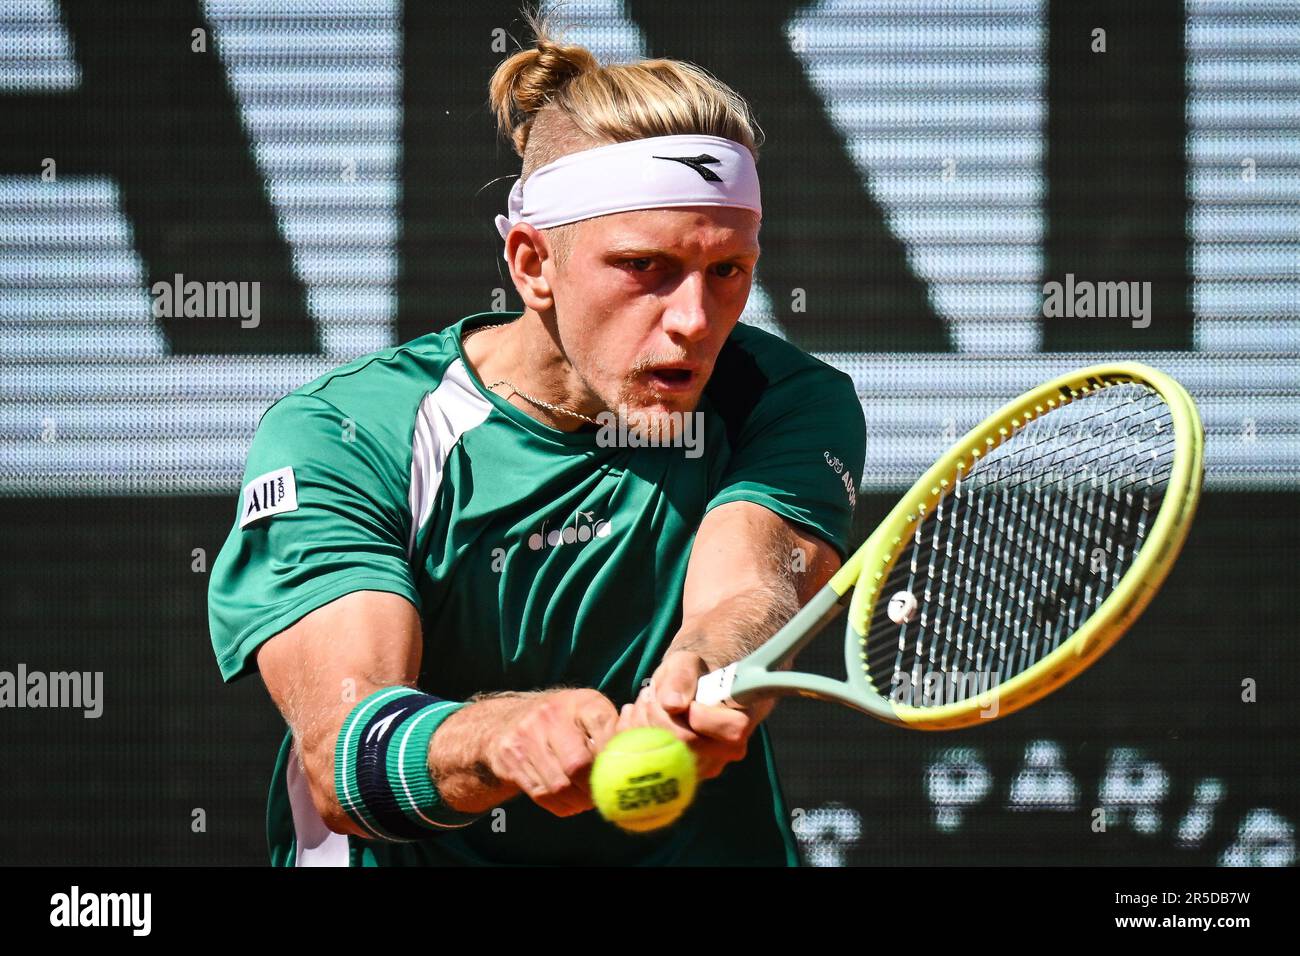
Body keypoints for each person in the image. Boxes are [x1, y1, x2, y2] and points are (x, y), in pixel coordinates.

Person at [207, 8, 866, 866]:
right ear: (531, 264)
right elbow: (342, 755)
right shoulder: (346, 434)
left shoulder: (786, 400)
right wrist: (501, 734)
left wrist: (705, 670)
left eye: (727, 271)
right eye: (646, 269)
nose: (694, 322)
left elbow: (746, 592)